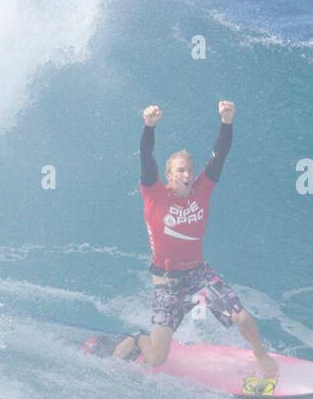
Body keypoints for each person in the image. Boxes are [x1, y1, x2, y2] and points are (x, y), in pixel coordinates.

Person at [113, 100, 278, 378]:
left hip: (198, 274)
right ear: (168, 176)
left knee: (242, 317)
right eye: (181, 170)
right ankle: (138, 339)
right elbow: (145, 154)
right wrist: (149, 127)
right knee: (156, 359)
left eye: (190, 169)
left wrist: (227, 122)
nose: (188, 174)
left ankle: (262, 358)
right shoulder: (154, 194)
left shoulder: (201, 190)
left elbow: (219, 156)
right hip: (167, 283)